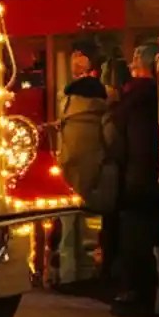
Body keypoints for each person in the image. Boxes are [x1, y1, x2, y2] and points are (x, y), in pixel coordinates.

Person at [54, 40, 117, 283]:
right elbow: (110, 140)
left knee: (69, 229)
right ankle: (89, 273)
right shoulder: (106, 105)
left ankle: (70, 276)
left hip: (70, 172)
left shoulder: (68, 105)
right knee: (94, 228)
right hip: (97, 175)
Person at [108, 43, 159, 317]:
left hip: (136, 180)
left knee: (134, 240)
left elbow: (121, 143)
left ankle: (135, 294)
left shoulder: (134, 99)